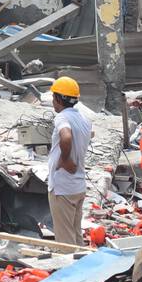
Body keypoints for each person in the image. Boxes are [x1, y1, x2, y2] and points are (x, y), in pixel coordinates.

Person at [47, 76, 92, 246]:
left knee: (65, 241)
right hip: (78, 185)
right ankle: (83, 269)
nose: (52, 101)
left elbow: (65, 137)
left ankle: (68, 270)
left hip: (63, 187)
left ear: (59, 98)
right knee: (76, 235)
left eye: (53, 98)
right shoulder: (84, 119)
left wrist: (65, 160)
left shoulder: (62, 118)